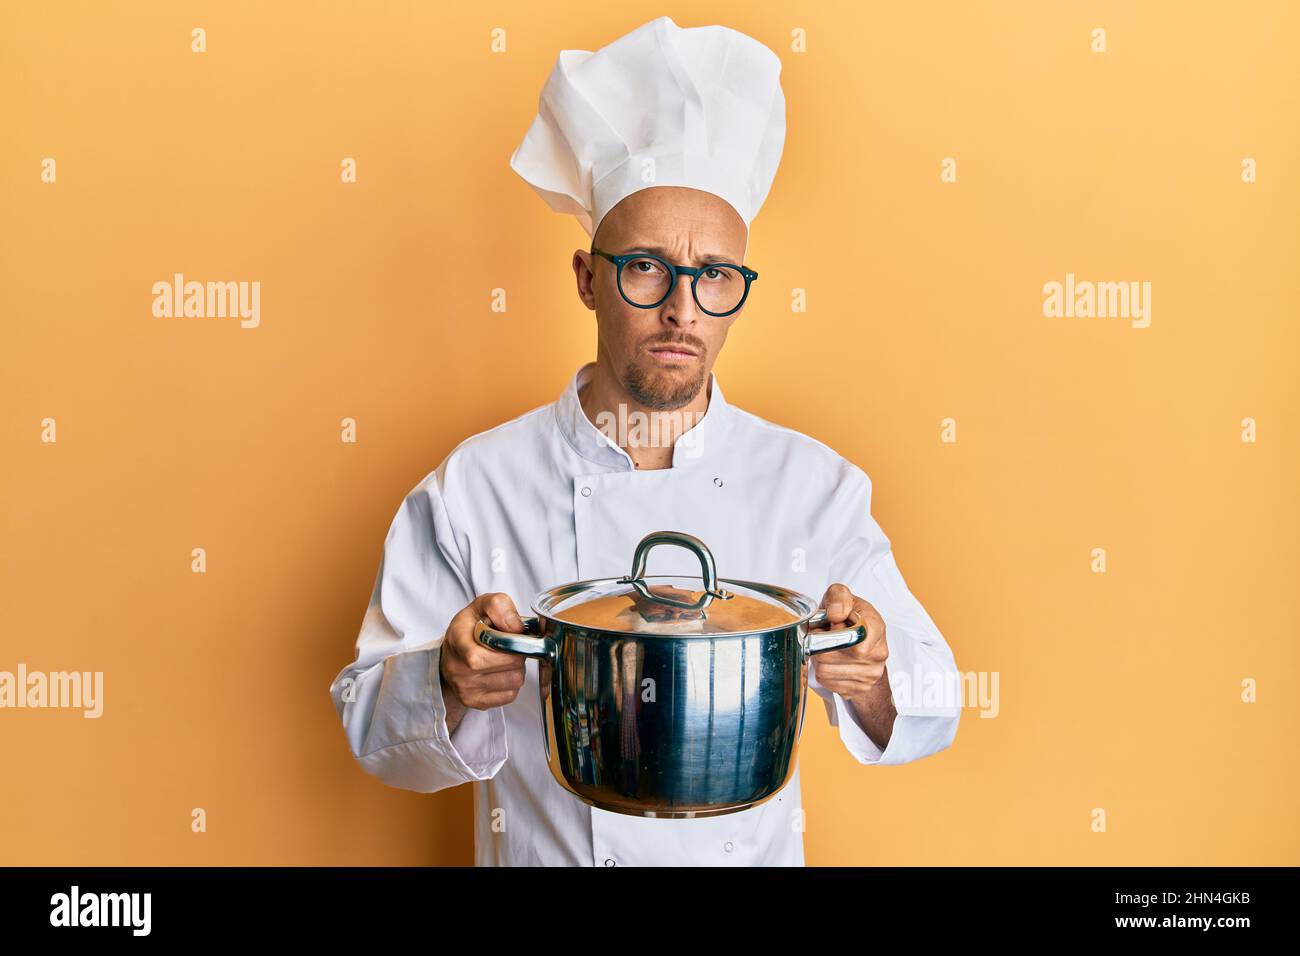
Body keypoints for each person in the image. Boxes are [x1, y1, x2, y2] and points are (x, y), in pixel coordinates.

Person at [328, 15, 960, 866]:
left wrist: (875, 673)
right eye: (647, 267)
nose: (682, 309)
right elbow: (366, 722)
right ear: (589, 278)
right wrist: (444, 682)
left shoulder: (815, 487)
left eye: (716, 277)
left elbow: (937, 704)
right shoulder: (474, 486)